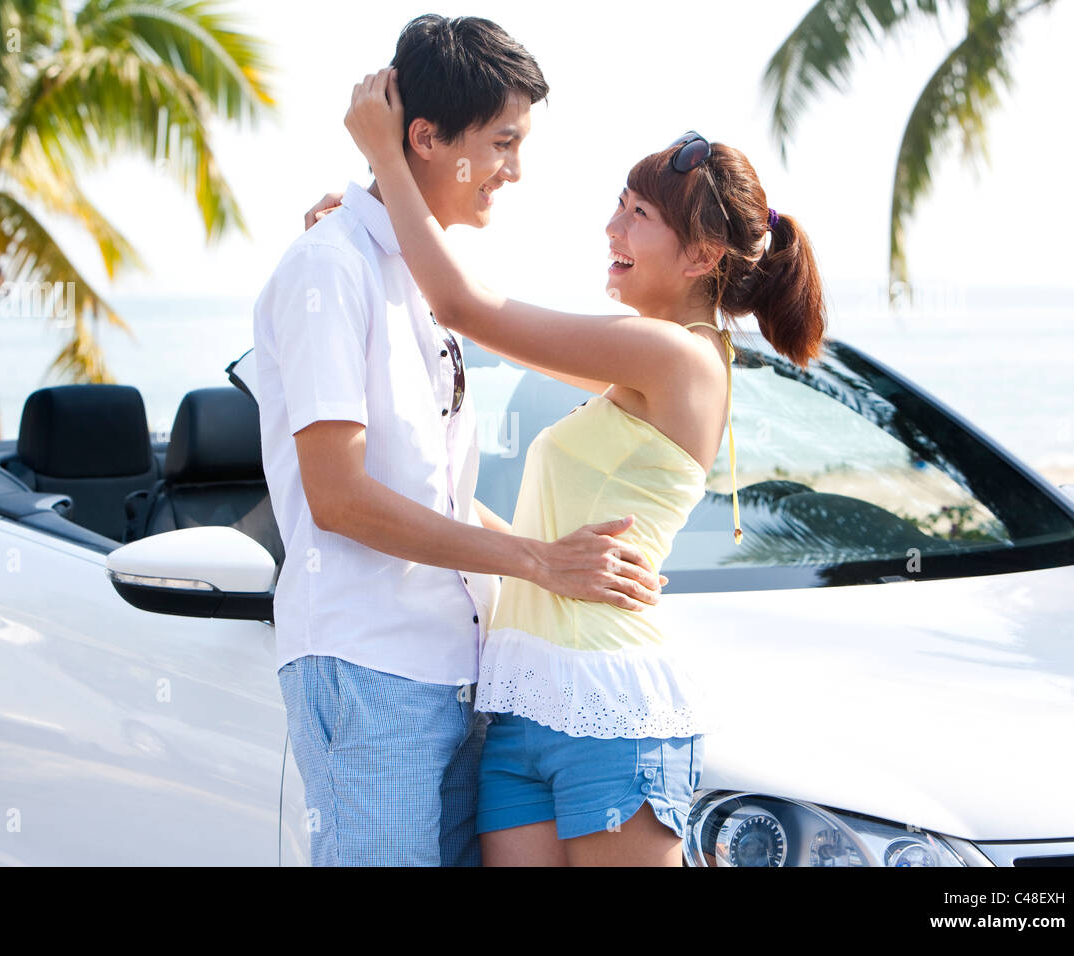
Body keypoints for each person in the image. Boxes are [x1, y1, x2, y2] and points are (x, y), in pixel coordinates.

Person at [341, 66, 828, 866]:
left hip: (612, 710)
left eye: (638, 216)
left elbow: (468, 308)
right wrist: (369, 229)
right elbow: (465, 314)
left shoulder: (674, 355)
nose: (612, 229)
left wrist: (386, 169)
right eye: (621, 205)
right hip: (526, 700)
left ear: (703, 256)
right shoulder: (643, 364)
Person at [252, 15, 665, 868]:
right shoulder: (330, 268)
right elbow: (339, 496)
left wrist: (564, 557)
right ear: (426, 139)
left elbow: (433, 493)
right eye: (504, 142)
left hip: (457, 667)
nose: (516, 169)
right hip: (369, 668)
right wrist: (538, 563)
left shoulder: (418, 274)